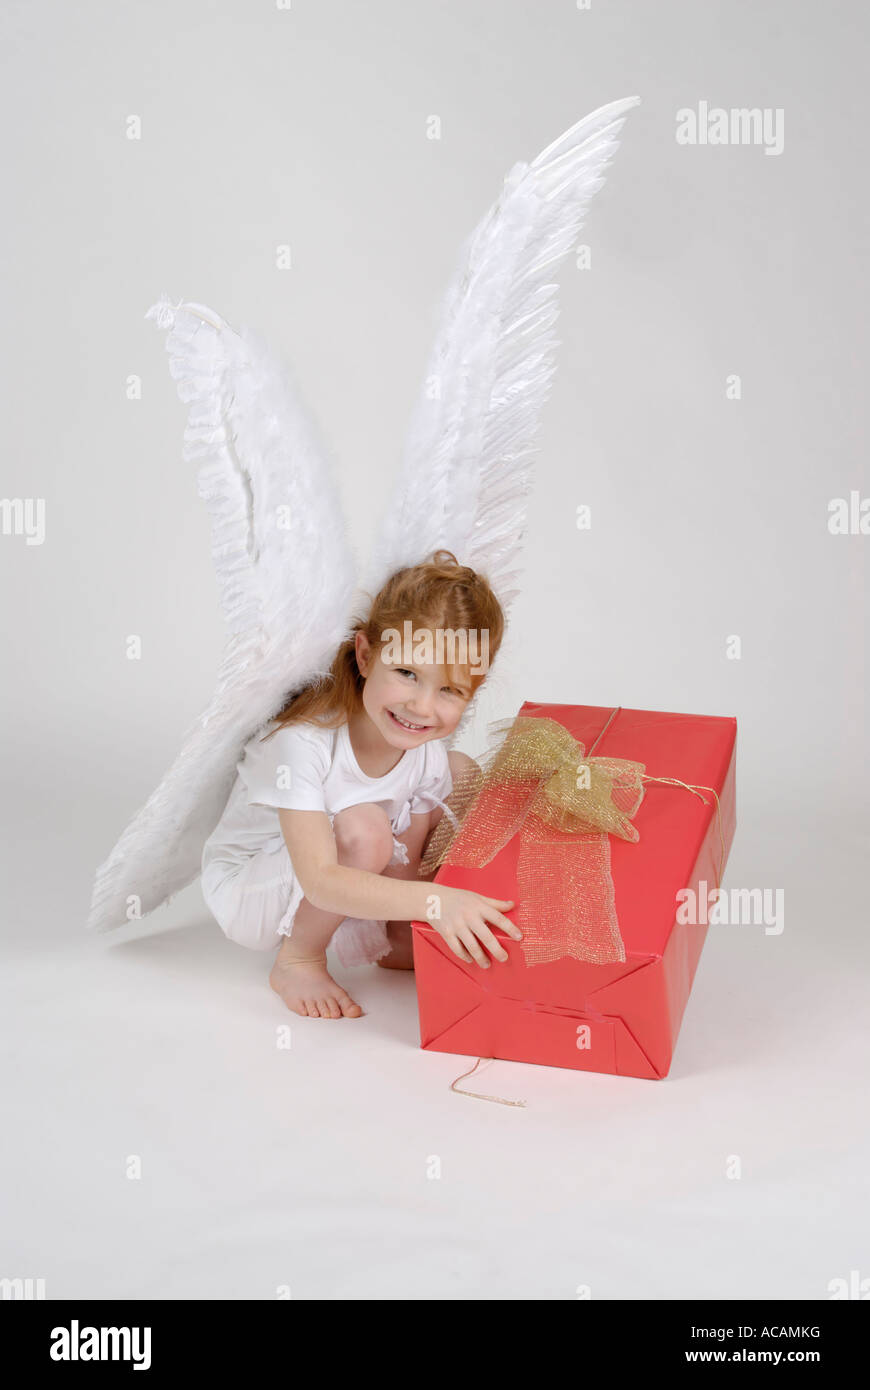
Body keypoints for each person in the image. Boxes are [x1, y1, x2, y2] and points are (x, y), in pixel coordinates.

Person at [200, 550, 521, 1019]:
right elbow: (322, 880)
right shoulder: (301, 743)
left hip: (346, 862)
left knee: (459, 774)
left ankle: (394, 937)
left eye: (449, 689)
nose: (423, 707)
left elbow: (415, 818)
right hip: (255, 886)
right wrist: (436, 902)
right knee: (367, 829)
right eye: (407, 674)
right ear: (367, 655)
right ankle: (298, 959)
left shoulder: (421, 744)